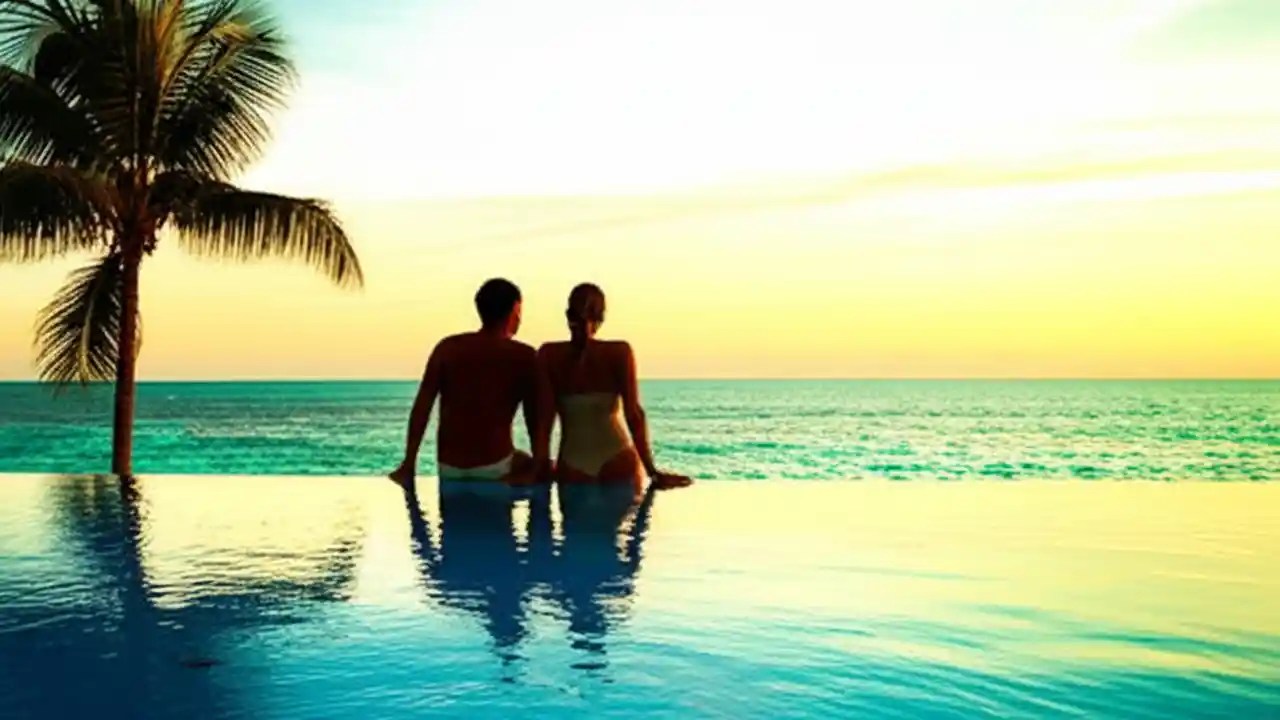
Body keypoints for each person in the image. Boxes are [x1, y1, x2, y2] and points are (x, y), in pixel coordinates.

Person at [530, 283, 692, 494]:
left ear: (568, 314)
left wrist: (540, 467)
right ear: (601, 317)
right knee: (623, 525)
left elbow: (544, 420)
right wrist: (652, 471)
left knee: (574, 528)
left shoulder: (548, 355)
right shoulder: (619, 352)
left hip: (572, 464)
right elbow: (633, 414)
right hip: (617, 458)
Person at [390, 278, 539, 488]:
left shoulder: (447, 348)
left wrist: (409, 463)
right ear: (514, 311)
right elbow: (534, 418)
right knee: (537, 465)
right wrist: (538, 467)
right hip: (495, 465)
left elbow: (422, 407)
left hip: (449, 467)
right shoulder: (524, 356)